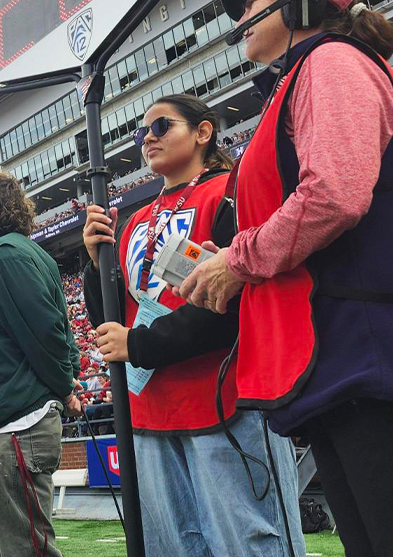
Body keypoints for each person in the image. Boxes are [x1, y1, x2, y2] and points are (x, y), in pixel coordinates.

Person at [179, 0, 393, 557]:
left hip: (373, 349)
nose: (240, 17)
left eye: (251, 1)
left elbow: (334, 195)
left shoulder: (330, 62)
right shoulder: (304, 74)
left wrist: (238, 260)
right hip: (347, 353)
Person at [82, 93, 304, 556]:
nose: (148, 138)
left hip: (225, 403)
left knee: (250, 542)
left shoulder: (230, 194)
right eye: (141, 133)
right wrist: (96, 264)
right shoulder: (135, 221)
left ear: (203, 132)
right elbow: (112, 321)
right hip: (150, 413)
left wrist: (140, 345)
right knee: (173, 547)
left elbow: (233, 304)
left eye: (161, 126)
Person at [0, 170, 82, 557]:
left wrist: (65, 387)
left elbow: (47, 337)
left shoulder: (5, 255)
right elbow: (59, 334)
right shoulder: (13, 252)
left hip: (17, 428)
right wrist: (66, 384)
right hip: (14, 427)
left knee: (27, 551)